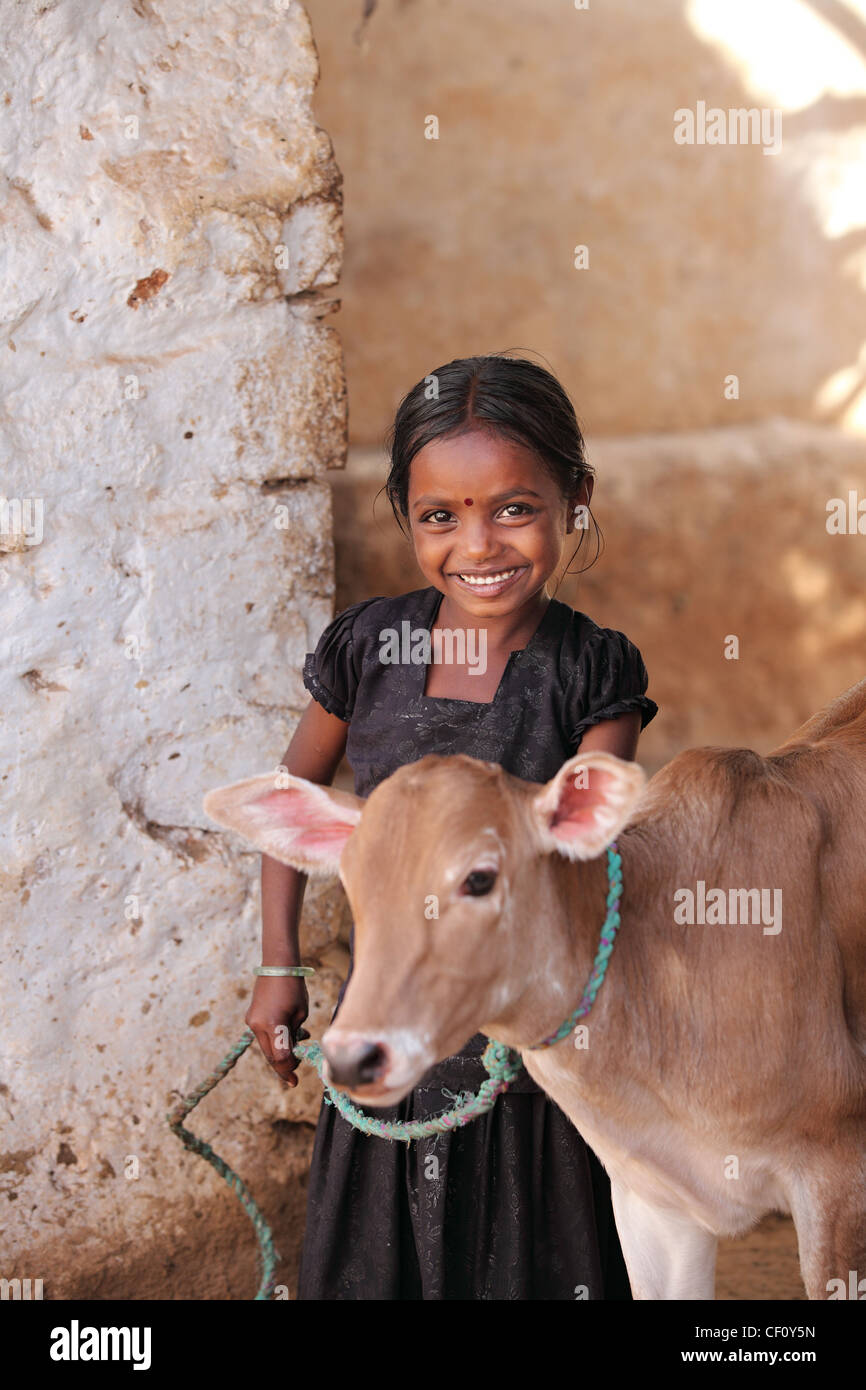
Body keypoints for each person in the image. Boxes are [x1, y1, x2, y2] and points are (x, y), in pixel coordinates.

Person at [247, 352, 659, 1299]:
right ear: (408, 518)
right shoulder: (366, 649)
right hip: (386, 1012)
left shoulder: (593, 674)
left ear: (575, 500)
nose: (479, 544)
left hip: (529, 1058)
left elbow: (593, 856)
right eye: (442, 516)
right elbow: (291, 803)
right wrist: (278, 966)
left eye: (514, 508)